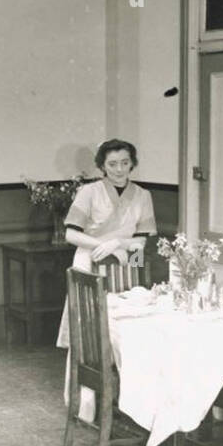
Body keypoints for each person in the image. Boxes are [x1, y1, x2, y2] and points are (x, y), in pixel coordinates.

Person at [56, 139, 156, 347]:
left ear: (132, 163)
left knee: (131, 319)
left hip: (128, 260)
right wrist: (101, 245)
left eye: (125, 162)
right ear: (102, 166)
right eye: (112, 164)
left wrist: (119, 246)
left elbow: (141, 241)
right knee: (90, 325)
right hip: (90, 258)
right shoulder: (89, 192)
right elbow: (71, 235)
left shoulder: (143, 195)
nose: (119, 169)